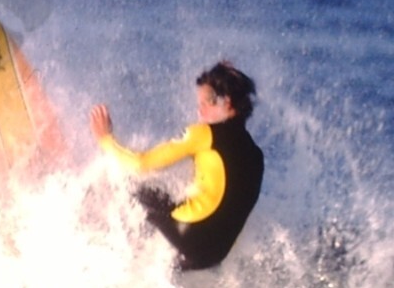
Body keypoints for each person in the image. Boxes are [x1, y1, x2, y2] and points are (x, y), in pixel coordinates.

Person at [89, 61, 263, 271]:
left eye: (207, 103)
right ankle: (149, 273)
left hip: (189, 236)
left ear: (227, 104)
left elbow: (141, 163)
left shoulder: (204, 134)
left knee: (128, 183)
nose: (200, 111)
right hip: (214, 254)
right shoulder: (256, 155)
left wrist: (106, 139)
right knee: (169, 203)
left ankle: (104, 252)